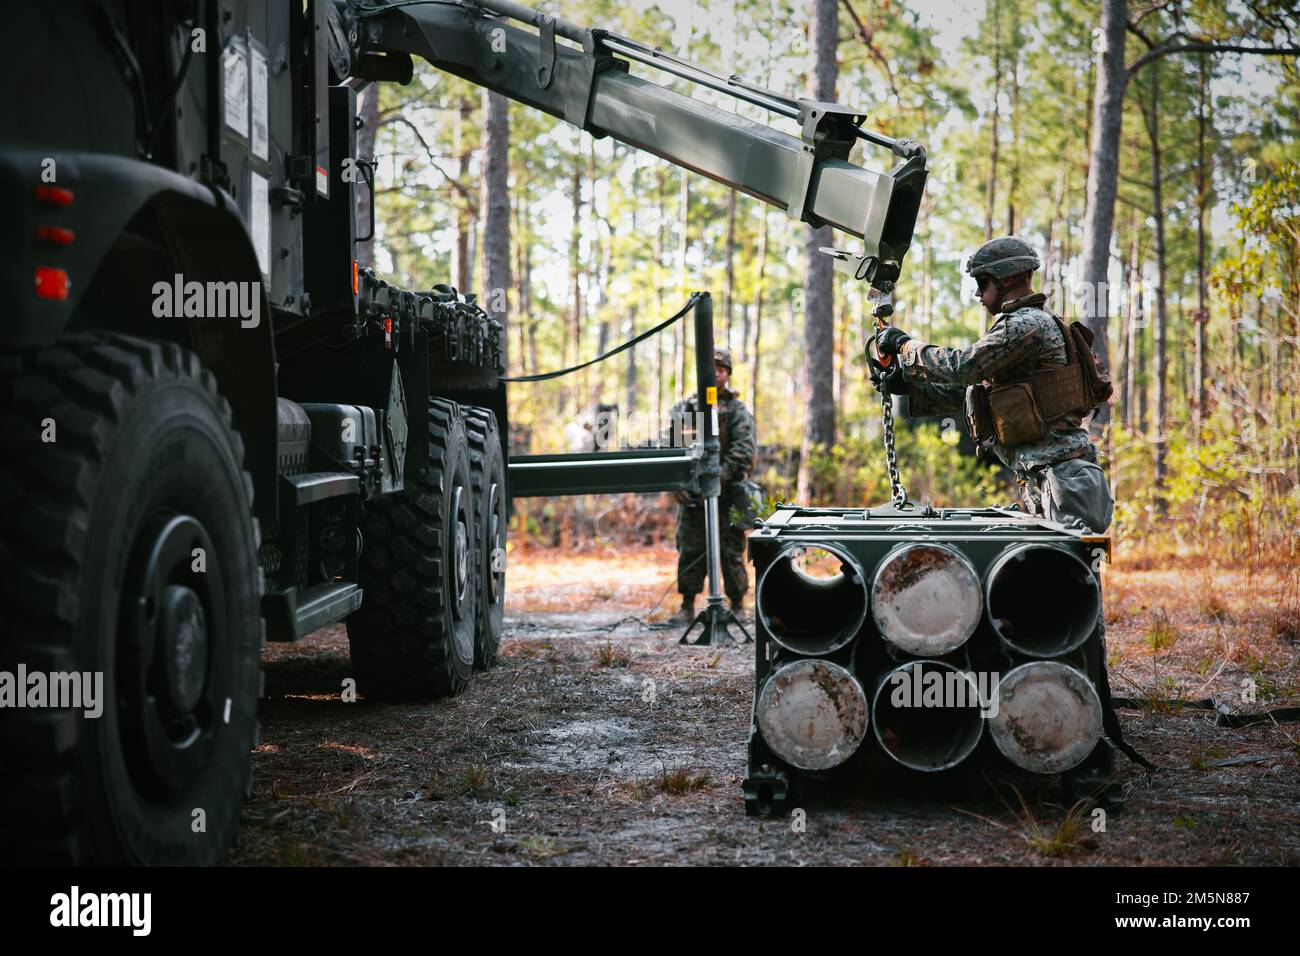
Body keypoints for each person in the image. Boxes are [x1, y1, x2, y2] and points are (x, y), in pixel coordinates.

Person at [872, 236, 1113, 534]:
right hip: (1053, 477)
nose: (977, 293)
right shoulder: (1029, 324)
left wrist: (907, 347)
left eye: (982, 283)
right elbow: (978, 394)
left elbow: (965, 367)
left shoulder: (1027, 324)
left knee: (1062, 575)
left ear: (1009, 278)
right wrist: (907, 387)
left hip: (1064, 481)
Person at [666, 348, 757, 623]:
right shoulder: (687, 408)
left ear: (727, 373)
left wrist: (719, 477)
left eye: (721, 368)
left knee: (730, 551)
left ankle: (738, 605)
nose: (715, 372)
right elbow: (674, 448)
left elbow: (744, 449)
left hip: (728, 494)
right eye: (711, 367)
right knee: (691, 549)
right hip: (694, 496)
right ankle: (687, 606)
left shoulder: (737, 410)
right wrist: (680, 483)